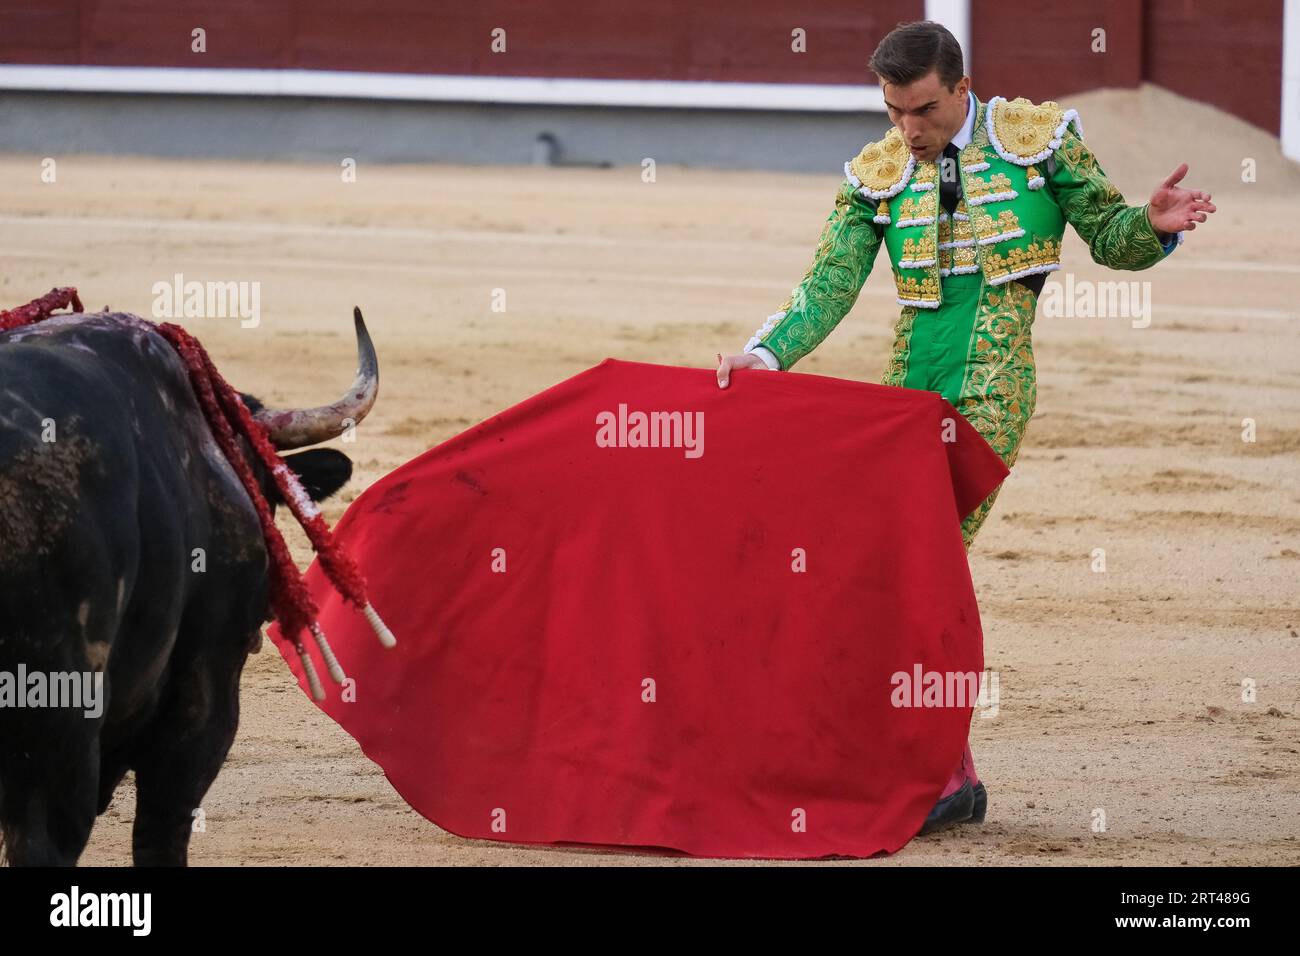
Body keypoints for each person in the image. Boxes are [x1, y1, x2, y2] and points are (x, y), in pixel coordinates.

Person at [715, 19, 1216, 834]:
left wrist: (1153, 227)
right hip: (903, 397)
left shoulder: (1038, 142)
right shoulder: (875, 174)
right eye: (892, 112)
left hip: (991, 388)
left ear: (960, 88)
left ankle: (939, 769)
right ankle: (944, 770)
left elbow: (1113, 239)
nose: (908, 130)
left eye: (922, 110)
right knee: (888, 569)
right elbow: (828, 285)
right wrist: (764, 356)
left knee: (922, 563)